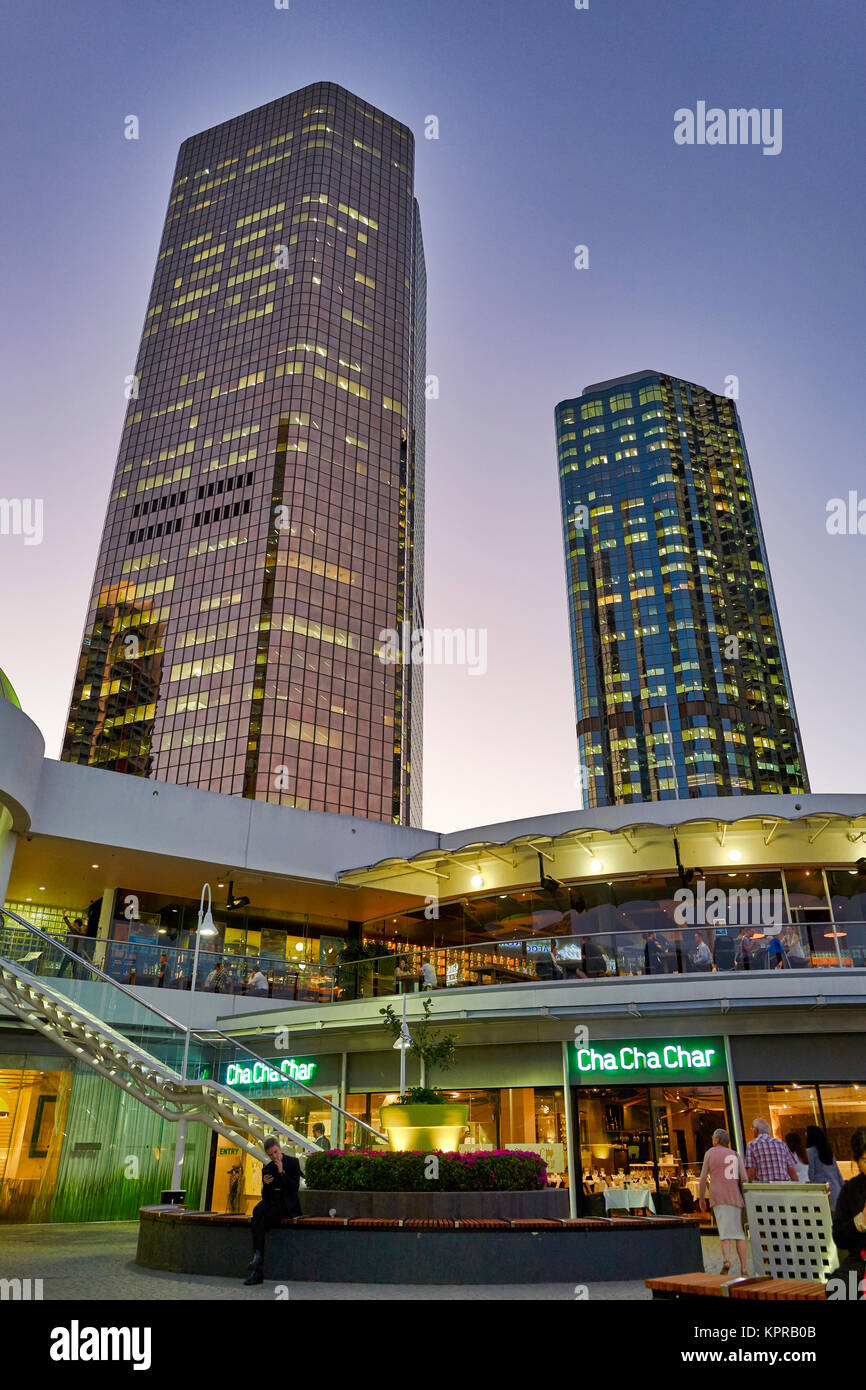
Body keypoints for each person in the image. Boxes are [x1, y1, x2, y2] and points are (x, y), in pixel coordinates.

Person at [243, 1135, 302, 1285]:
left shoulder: (293, 1163)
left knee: (259, 1223)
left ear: (279, 1148)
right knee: (257, 1211)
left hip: (287, 1205)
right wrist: (266, 1184)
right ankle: (258, 1259)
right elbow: (265, 1195)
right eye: (270, 1154)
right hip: (272, 1202)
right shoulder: (267, 1168)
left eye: (275, 1152)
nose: (274, 1156)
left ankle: (258, 1264)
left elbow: (294, 1188)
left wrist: (282, 1172)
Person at [697, 1128, 748, 1275]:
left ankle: (726, 1260)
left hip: (718, 1196)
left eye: (713, 1138)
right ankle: (744, 1268)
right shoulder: (735, 1154)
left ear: (716, 1140)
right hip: (734, 1196)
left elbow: (702, 1179)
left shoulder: (710, 1153)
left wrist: (701, 1198)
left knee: (724, 1232)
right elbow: (744, 1178)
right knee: (739, 1233)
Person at [829, 1127, 866, 1298]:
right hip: (859, 1264)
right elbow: (839, 1237)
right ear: (857, 1161)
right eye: (865, 1159)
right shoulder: (851, 1190)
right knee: (838, 1287)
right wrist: (859, 1222)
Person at [745, 1117, 799, 1182]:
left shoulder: (752, 1145)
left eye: (752, 1129)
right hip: (784, 1186)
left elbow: (751, 1173)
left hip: (764, 1188)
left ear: (756, 1130)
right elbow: (791, 1170)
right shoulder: (781, 1144)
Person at [806, 1124, 844, 1208]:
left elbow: (811, 1173)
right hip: (836, 1188)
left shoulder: (810, 1152)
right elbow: (837, 1172)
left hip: (822, 1191)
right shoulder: (828, 1151)